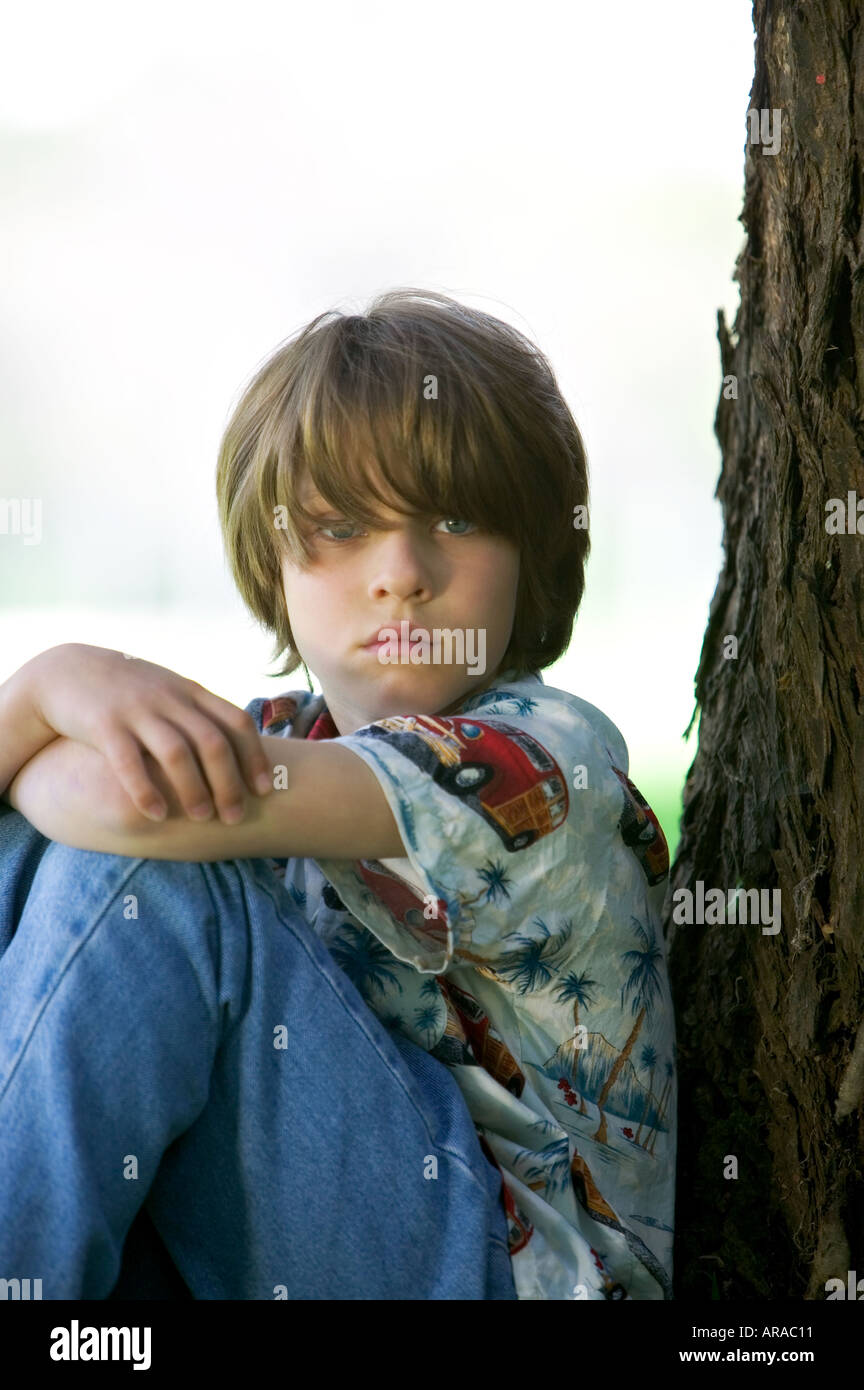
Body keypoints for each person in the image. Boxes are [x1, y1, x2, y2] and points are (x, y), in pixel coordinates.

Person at [0, 288, 676, 1300]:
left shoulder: (545, 755)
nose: (402, 572)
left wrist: (50, 692)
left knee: (143, 864)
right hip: (313, 1230)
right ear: (273, 562)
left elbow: (130, 813)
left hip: (505, 1275)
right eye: (344, 525)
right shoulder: (285, 736)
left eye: (459, 517)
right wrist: (44, 700)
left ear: (533, 556)